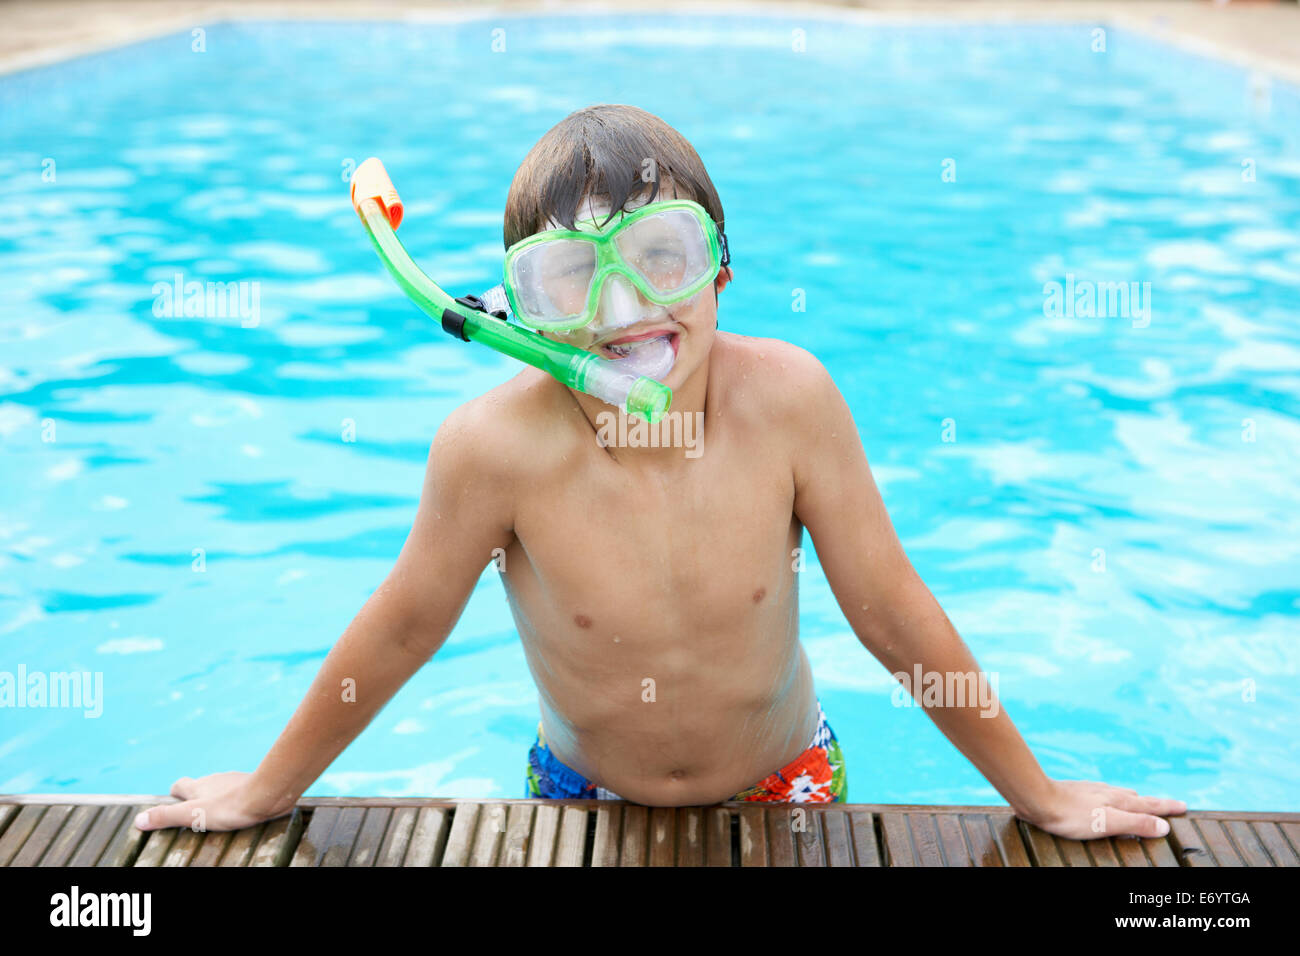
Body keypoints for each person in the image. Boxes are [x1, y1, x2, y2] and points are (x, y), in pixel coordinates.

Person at [136, 104, 1185, 839]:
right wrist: (268, 788)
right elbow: (404, 625)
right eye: (569, 277)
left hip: (789, 782)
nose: (624, 308)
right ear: (522, 313)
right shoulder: (493, 447)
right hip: (579, 793)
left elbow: (890, 608)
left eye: (665, 257)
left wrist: (1037, 792)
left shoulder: (790, 402)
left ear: (722, 265)